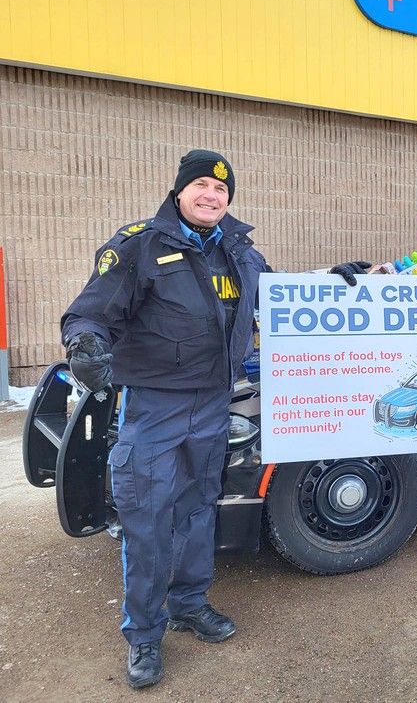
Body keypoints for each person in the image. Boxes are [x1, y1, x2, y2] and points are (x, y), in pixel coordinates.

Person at [62, 150, 369, 689]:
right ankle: (144, 636)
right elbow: (92, 310)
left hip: (212, 404)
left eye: (221, 189)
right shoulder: (139, 246)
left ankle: (189, 603)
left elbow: (279, 298)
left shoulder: (241, 252)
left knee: (199, 508)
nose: (211, 195)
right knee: (148, 519)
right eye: (201, 185)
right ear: (180, 191)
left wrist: (331, 283)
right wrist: (85, 344)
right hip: (155, 405)